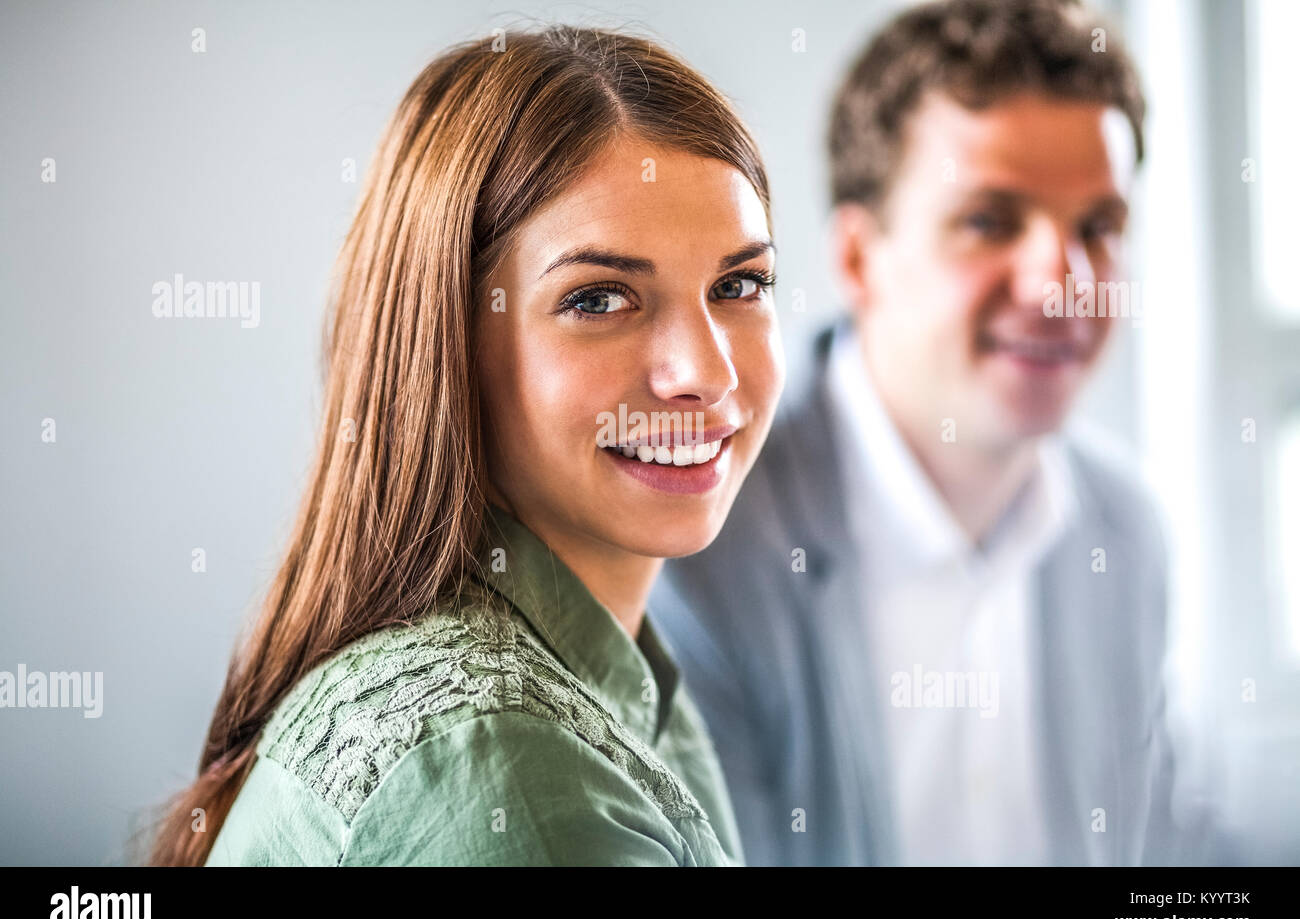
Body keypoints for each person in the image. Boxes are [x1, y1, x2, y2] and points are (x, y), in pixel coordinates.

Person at [147, 24, 785, 866]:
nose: (704, 372)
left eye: (739, 285)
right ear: (448, 341)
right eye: (599, 300)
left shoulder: (614, 684)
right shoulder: (506, 771)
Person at [651, 0, 1229, 866]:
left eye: (1098, 229)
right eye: (991, 221)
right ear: (858, 260)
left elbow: (1170, 857)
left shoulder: (1127, 532)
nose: (1062, 283)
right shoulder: (701, 544)